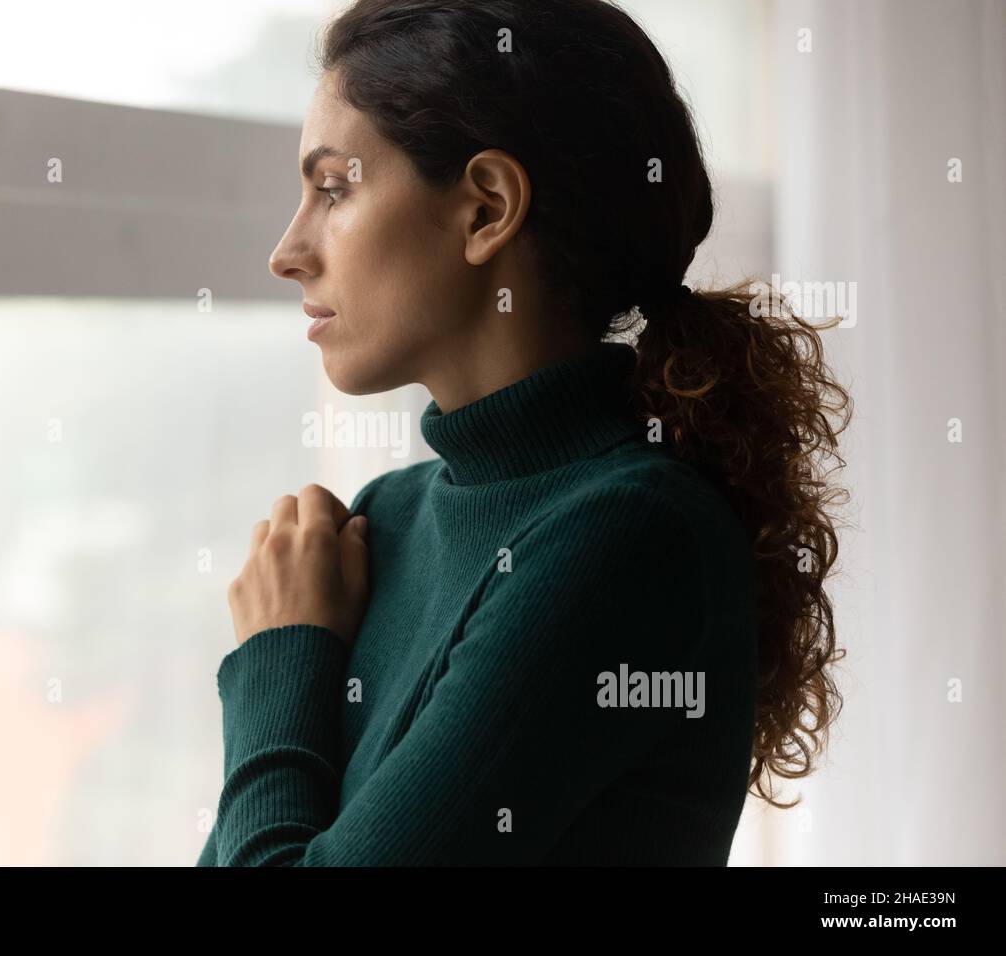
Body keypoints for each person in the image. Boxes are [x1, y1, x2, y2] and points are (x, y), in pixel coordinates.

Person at [198, 0, 852, 866]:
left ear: (486, 210)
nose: (288, 251)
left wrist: (283, 657)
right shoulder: (380, 520)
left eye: (335, 188)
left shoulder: (629, 535)